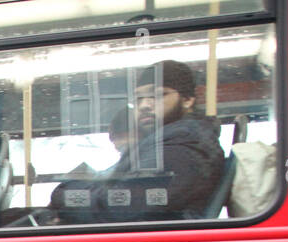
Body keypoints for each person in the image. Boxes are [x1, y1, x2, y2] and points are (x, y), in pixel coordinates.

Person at [51, 60, 224, 223]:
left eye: (157, 95)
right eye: (138, 99)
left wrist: (64, 194)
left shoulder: (181, 148)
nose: (144, 105)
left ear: (187, 100)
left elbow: (117, 207)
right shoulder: (166, 142)